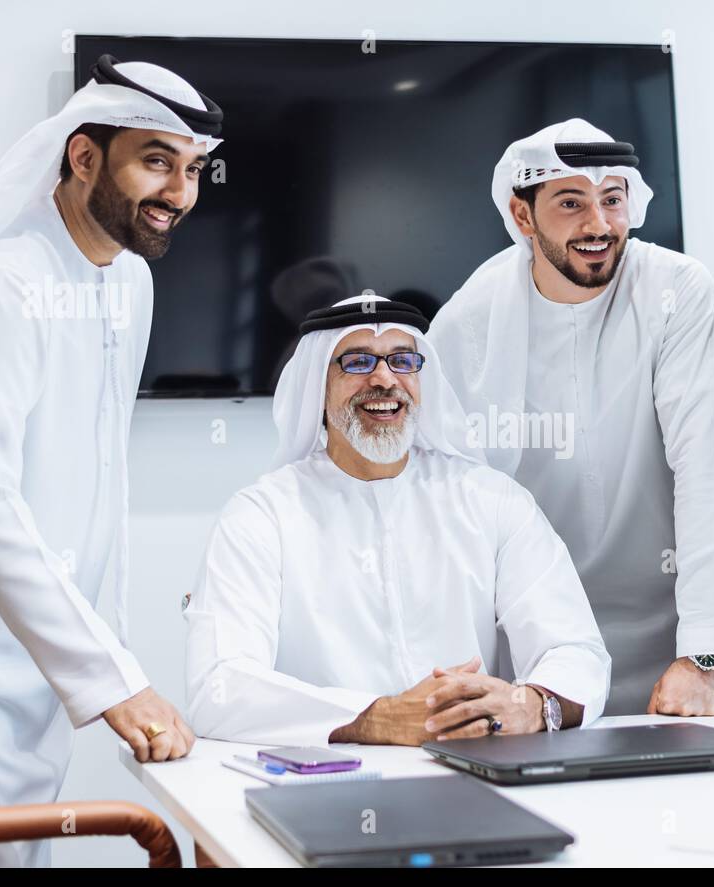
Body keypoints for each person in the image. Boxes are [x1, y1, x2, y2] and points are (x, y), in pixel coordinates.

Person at [0, 55, 223, 866]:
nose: (180, 192)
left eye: (194, 168)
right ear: (84, 156)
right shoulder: (5, 280)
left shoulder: (130, 281)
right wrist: (112, 678)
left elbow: (93, 476)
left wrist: (109, 653)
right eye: (156, 161)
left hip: (32, 661)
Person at [185, 295, 611, 746]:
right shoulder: (261, 516)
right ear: (317, 386)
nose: (384, 379)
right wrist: (375, 718)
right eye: (357, 361)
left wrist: (529, 706)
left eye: (402, 360)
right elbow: (220, 688)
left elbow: (576, 650)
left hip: (475, 775)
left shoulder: (492, 499)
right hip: (326, 785)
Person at [429, 119, 714, 717]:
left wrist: (706, 654)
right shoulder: (471, 316)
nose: (597, 225)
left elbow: (706, 465)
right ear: (523, 217)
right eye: (571, 203)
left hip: (668, 642)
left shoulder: (676, 289)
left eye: (612, 200)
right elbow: (440, 498)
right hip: (525, 646)